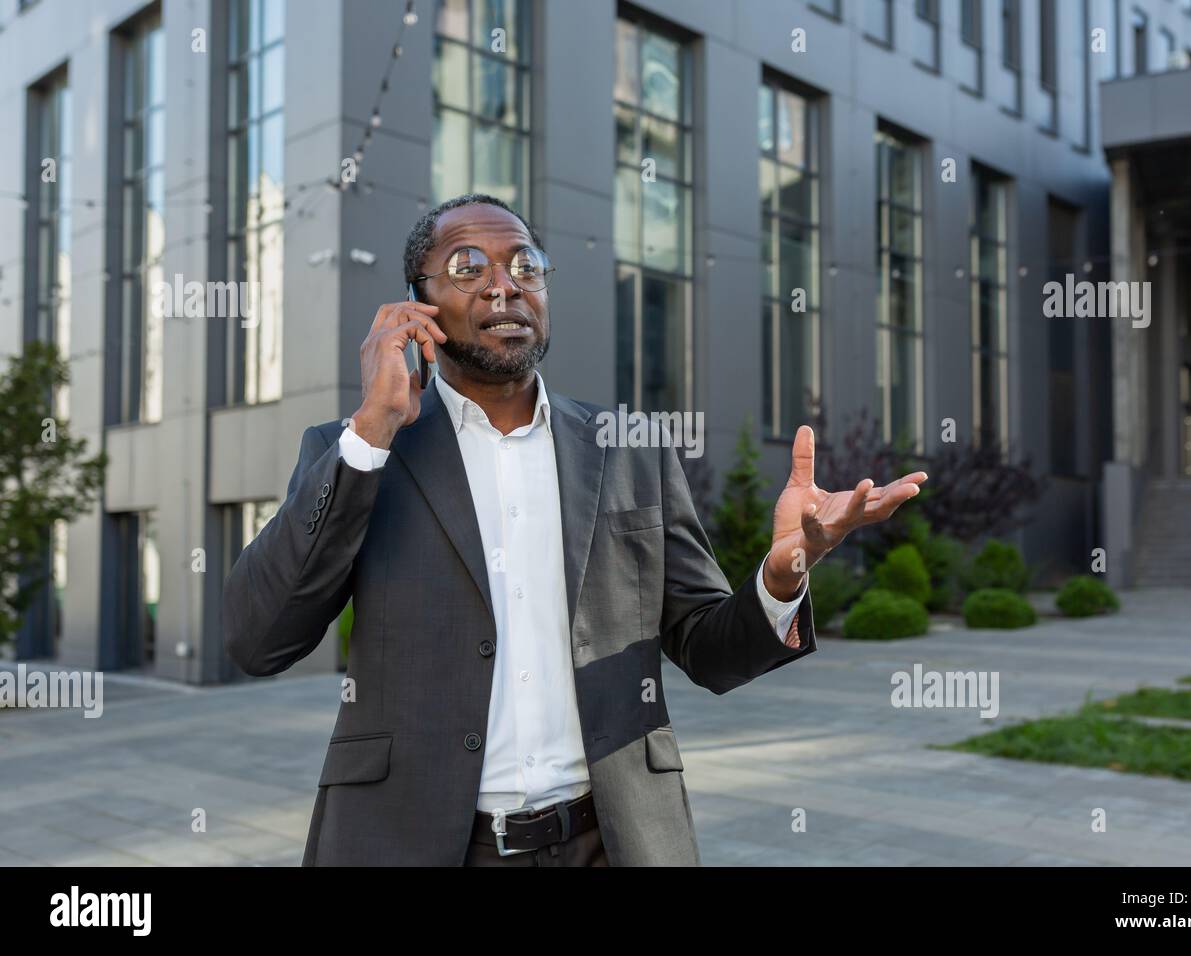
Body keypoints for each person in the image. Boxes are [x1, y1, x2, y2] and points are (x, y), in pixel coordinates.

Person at [222, 193, 928, 866]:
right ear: (419, 302)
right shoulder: (356, 452)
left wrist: (784, 572)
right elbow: (260, 641)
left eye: (527, 265)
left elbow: (711, 653)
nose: (505, 286)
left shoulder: (628, 449)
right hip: (417, 841)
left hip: (608, 842)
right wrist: (372, 429)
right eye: (470, 267)